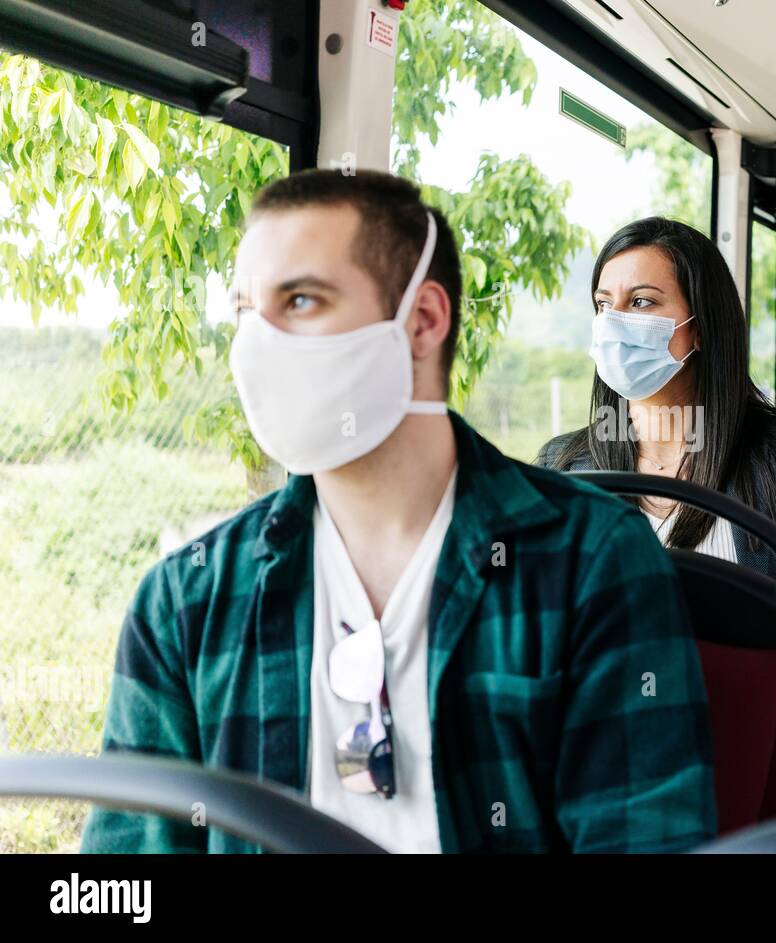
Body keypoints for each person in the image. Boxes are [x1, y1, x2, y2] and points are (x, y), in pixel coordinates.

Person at [80, 170, 716, 854]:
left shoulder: (592, 563)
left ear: (422, 321)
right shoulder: (186, 603)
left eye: (299, 299)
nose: (256, 345)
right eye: (243, 310)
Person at [536, 217, 776, 590]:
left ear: (700, 326)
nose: (613, 323)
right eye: (604, 304)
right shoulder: (562, 468)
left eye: (641, 302)